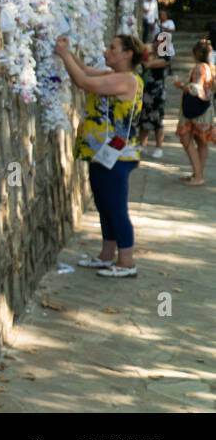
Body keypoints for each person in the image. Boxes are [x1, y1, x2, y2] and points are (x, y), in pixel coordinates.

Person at [55, 34, 145, 278]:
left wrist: (64, 55)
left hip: (117, 155)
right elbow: (84, 70)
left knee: (116, 207)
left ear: (127, 54)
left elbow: (84, 81)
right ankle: (107, 255)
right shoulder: (112, 75)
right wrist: (66, 50)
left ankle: (126, 261)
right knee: (104, 205)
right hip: (102, 153)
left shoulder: (126, 80)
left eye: (112, 47)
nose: (106, 51)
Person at [175, 39, 214, 185]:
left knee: (186, 138)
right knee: (201, 141)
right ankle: (197, 174)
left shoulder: (199, 67)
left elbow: (196, 88)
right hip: (206, 109)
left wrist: (181, 85)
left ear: (195, 53)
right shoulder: (210, 67)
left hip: (196, 109)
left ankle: (198, 176)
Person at [139, 30, 171, 159]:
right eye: (157, 40)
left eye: (162, 41)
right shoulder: (149, 51)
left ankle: (159, 147)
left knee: (158, 120)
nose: (158, 43)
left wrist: (148, 53)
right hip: (145, 91)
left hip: (157, 92)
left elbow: (148, 64)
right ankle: (142, 145)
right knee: (144, 118)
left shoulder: (165, 58)